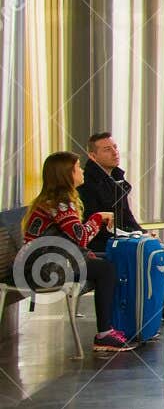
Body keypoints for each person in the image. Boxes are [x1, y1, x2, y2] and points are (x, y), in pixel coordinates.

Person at [21, 152, 128, 354]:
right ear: (66, 174)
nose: (82, 171)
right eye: (78, 167)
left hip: (39, 263)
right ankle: (105, 333)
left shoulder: (52, 200)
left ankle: (110, 327)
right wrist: (98, 218)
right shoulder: (62, 203)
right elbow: (81, 238)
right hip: (45, 268)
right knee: (106, 269)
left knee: (107, 263)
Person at [79, 132, 142, 245]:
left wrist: (142, 234)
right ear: (93, 156)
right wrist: (131, 239)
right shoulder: (86, 183)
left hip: (120, 238)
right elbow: (98, 226)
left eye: (115, 147)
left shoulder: (117, 179)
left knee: (157, 248)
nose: (115, 152)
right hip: (101, 243)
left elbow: (126, 215)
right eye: (107, 149)